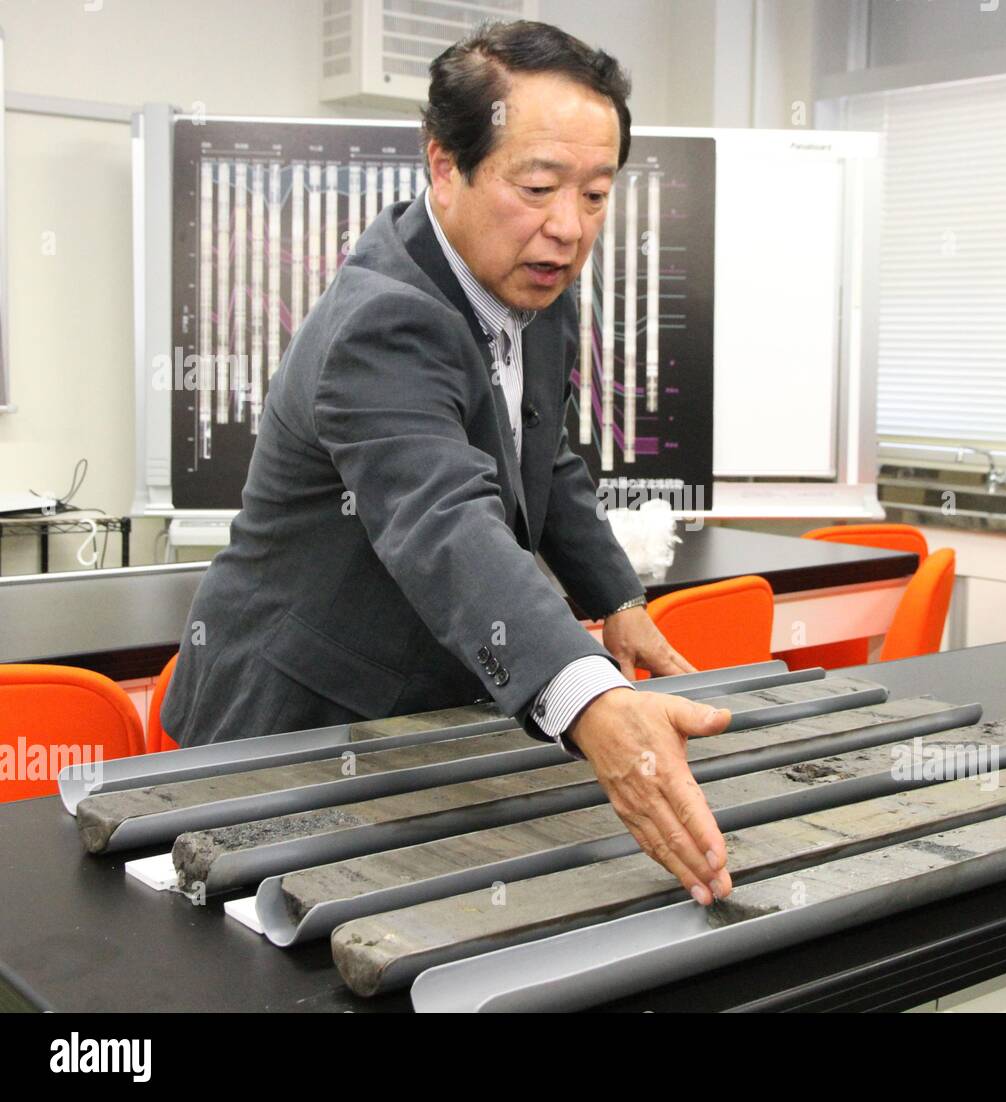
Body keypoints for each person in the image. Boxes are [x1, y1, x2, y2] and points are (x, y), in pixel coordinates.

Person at [162, 20, 733, 905]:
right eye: (539, 186)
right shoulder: (383, 321)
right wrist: (589, 700)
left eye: (594, 194)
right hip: (295, 722)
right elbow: (444, 521)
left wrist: (616, 600)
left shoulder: (532, 284)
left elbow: (545, 460)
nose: (568, 228)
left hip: (419, 707)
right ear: (443, 163)